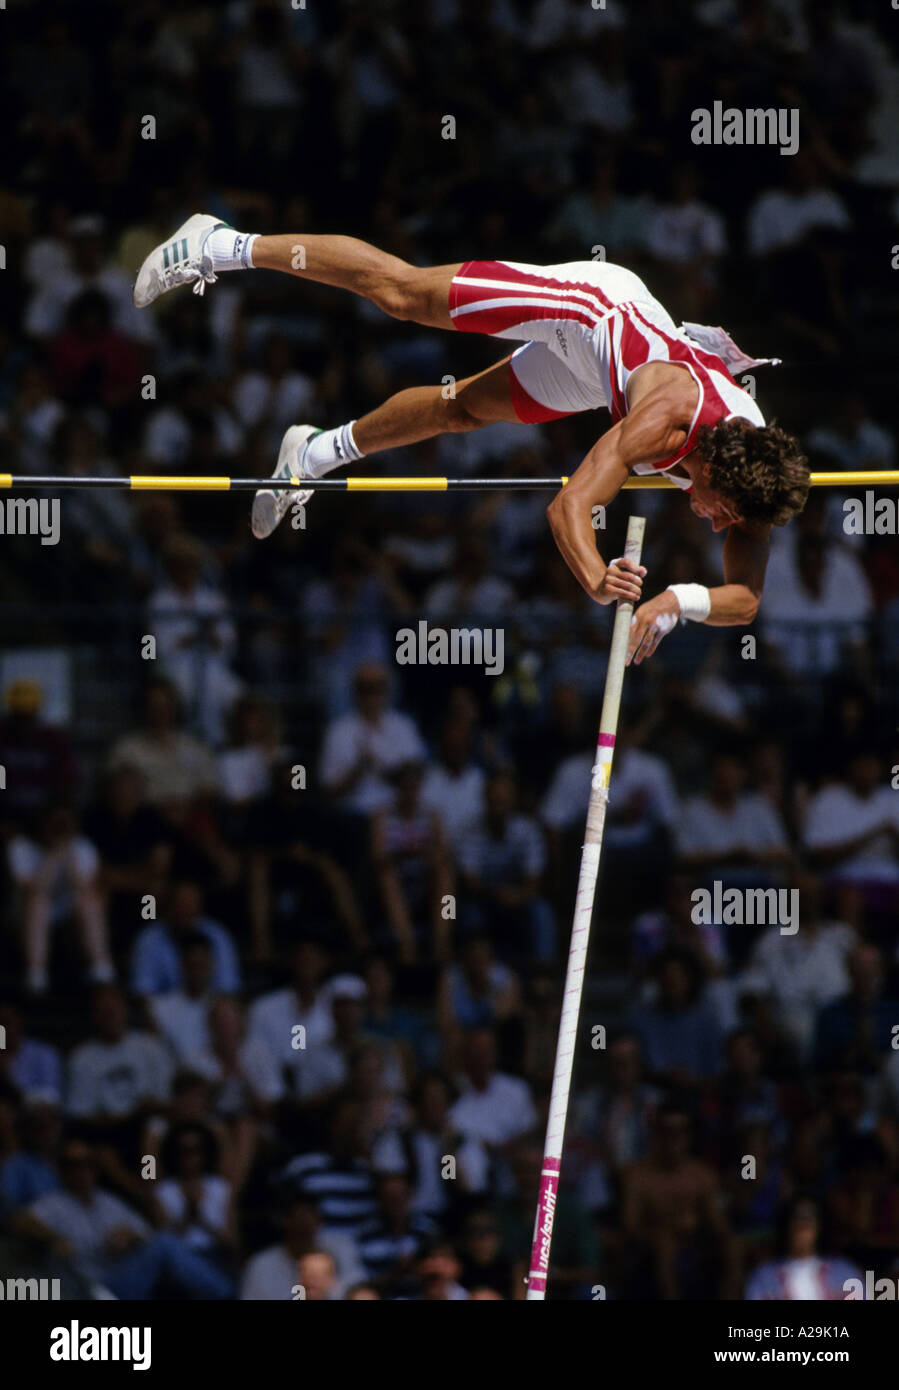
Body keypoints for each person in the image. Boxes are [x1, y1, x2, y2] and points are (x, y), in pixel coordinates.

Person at [134, 222, 809, 666]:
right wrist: (596, 578)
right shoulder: (664, 418)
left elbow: (744, 600)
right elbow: (569, 506)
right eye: (720, 511)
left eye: (727, 520)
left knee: (459, 412)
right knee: (402, 294)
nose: (718, 523)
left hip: (599, 375)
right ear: (715, 467)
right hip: (588, 311)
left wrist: (675, 603)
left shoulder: (749, 485)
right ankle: (218, 244)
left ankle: (312, 451)